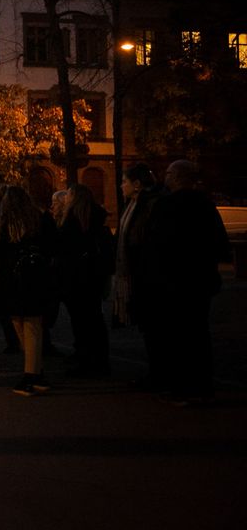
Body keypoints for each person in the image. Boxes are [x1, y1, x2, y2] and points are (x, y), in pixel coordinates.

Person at [142, 160, 230, 406]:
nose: (165, 177)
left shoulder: (166, 206)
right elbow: (219, 243)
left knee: (178, 336)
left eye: (169, 173)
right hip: (200, 280)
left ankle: (183, 387)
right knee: (198, 334)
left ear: (178, 177)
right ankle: (202, 385)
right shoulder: (205, 204)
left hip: (173, 281)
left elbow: (155, 245)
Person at [0, 185, 58, 396]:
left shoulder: (4, 224)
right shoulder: (39, 219)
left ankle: (31, 373)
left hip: (11, 281)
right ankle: (34, 370)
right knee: (33, 324)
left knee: (20, 323)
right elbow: (52, 246)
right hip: (34, 278)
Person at [57, 183, 114, 378]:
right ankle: (99, 360)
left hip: (77, 278)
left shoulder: (74, 220)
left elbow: (65, 248)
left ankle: (87, 360)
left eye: (69, 194)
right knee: (94, 320)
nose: (66, 198)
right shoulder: (95, 218)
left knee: (82, 322)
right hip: (93, 276)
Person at [115, 164, 161, 388]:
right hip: (138, 273)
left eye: (124, 181)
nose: (121, 185)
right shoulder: (132, 205)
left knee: (155, 328)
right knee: (149, 328)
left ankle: (161, 374)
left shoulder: (149, 205)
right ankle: (156, 371)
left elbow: (144, 240)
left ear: (137, 185)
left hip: (149, 275)